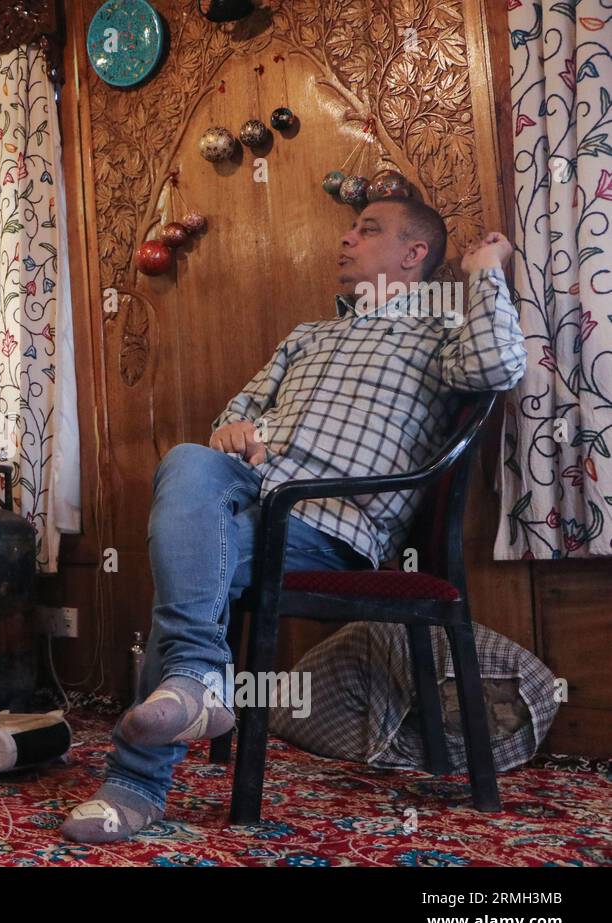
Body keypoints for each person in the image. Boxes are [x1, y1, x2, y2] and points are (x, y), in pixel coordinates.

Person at [61, 198, 526, 843]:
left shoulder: (442, 330)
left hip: (332, 525)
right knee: (191, 460)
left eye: (367, 230)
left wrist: (486, 271)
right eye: (351, 226)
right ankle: (196, 680)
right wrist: (235, 428)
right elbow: (239, 409)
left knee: (192, 563)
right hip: (252, 491)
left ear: (414, 255)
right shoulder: (308, 336)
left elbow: (499, 366)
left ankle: (139, 777)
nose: (346, 238)